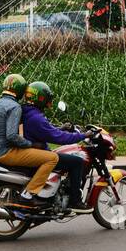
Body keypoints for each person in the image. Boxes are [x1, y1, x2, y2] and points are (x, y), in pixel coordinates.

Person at [0, 73, 58, 206]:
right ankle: (29, 194)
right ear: (21, 91)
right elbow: (11, 136)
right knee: (52, 158)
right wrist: (31, 144)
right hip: (4, 153)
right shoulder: (14, 107)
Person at [21, 81, 92, 213]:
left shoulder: (27, 112)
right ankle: (75, 201)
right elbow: (59, 138)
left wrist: (61, 128)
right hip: (38, 154)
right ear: (40, 99)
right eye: (47, 99)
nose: (49, 102)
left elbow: (45, 132)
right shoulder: (36, 117)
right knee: (77, 162)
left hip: (32, 151)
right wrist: (83, 135)